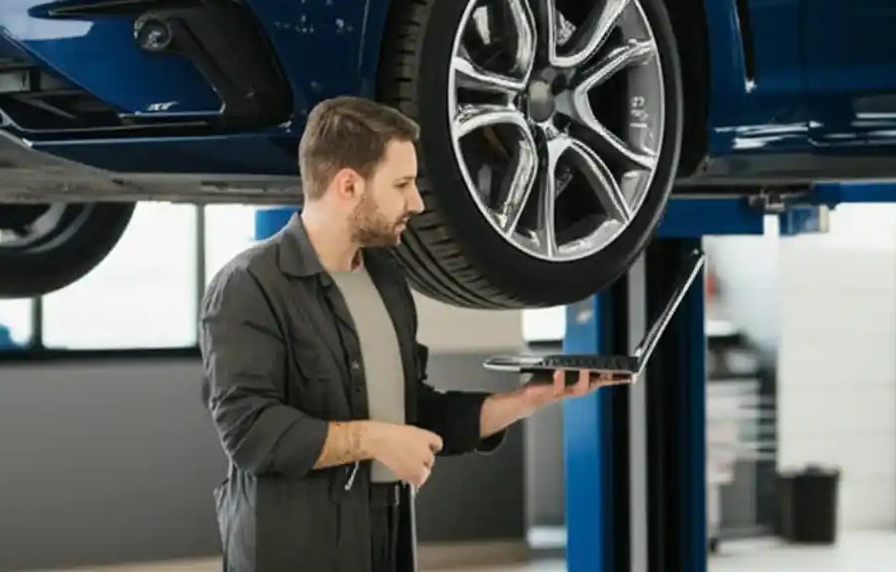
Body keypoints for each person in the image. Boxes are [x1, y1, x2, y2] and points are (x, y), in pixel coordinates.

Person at [198, 96, 630, 571]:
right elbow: (250, 432)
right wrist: (374, 440)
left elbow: (412, 411)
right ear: (348, 186)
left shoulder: (385, 279)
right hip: (294, 553)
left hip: (385, 540)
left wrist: (528, 398)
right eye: (402, 184)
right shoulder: (250, 284)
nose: (416, 202)